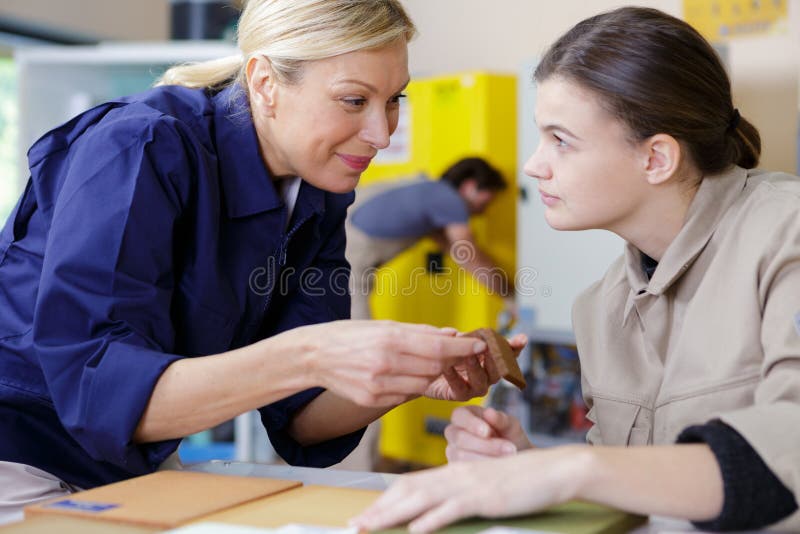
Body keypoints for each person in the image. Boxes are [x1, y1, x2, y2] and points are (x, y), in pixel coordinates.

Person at [0, 0, 527, 524]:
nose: (382, 134)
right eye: (353, 100)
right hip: (22, 448)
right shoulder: (142, 144)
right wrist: (311, 354)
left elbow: (302, 416)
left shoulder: (318, 194)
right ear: (265, 83)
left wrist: (405, 373)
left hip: (129, 464)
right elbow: (100, 394)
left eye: (394, 100)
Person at [351, 6, 800, 533]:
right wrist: (521, 466)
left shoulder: (785, 232)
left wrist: (567, 471)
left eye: (560, 140)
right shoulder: (601, 306)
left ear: (656, 158)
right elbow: (638, 496)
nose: (532, 165)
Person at [346, 157, 512, 321]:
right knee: (357, 329)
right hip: (349, 256)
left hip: (341, 241)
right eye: (486, 201)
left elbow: (457, 253)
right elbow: (470, 257)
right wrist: (511, 296)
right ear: (470, 186)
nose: (484, 212)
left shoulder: (427, 191)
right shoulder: (449, 199)